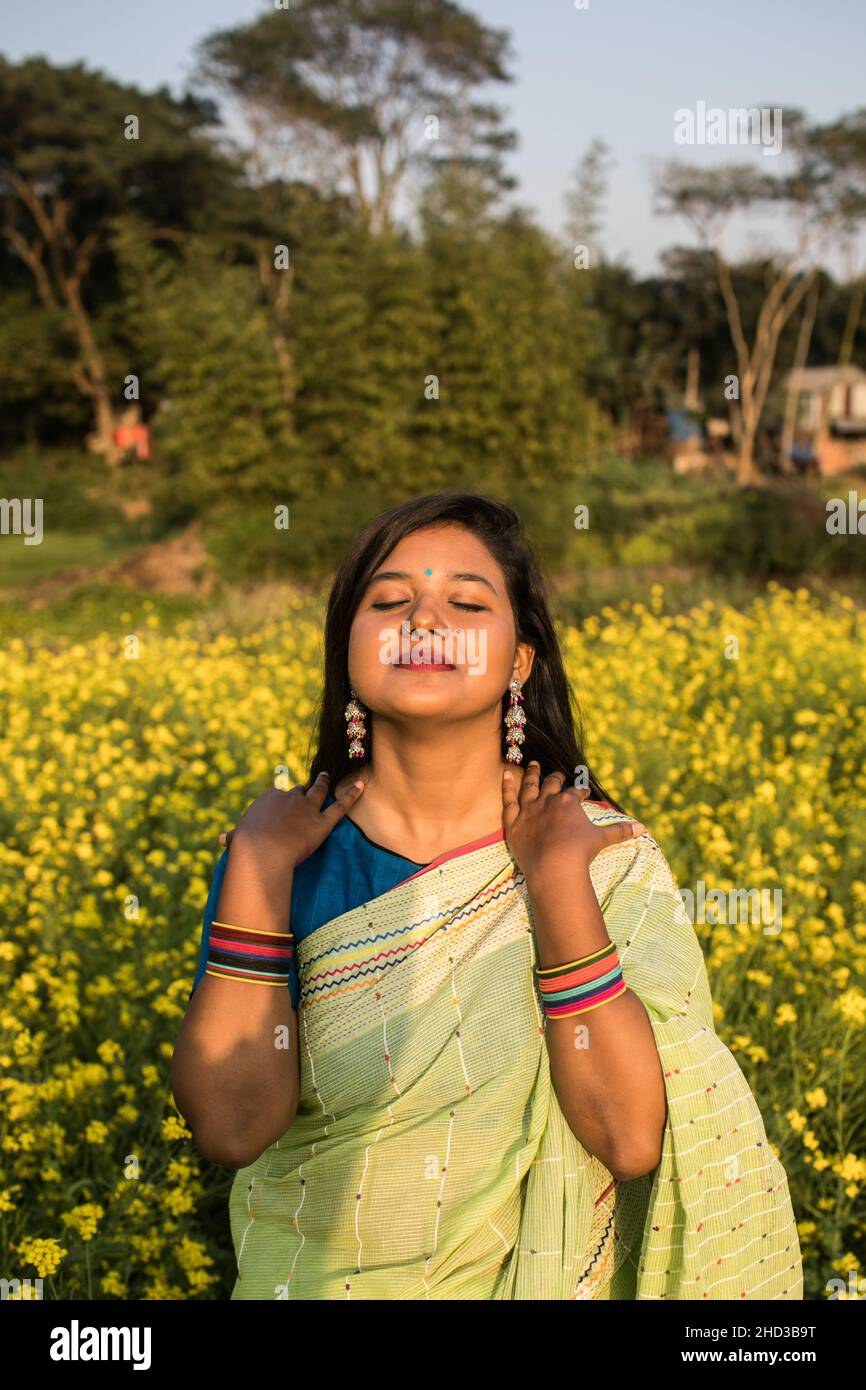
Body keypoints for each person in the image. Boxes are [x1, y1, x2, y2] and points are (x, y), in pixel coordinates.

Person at [170, 491, 802, 1300]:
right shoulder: (278, 860)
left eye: (466, 602)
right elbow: (230, 1128)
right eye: (390, 601)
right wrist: (257, 872)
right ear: (348, 648)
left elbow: (631, 1136)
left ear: (518, 662)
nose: (424, 621)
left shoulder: (603, 858)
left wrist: (555, 882)